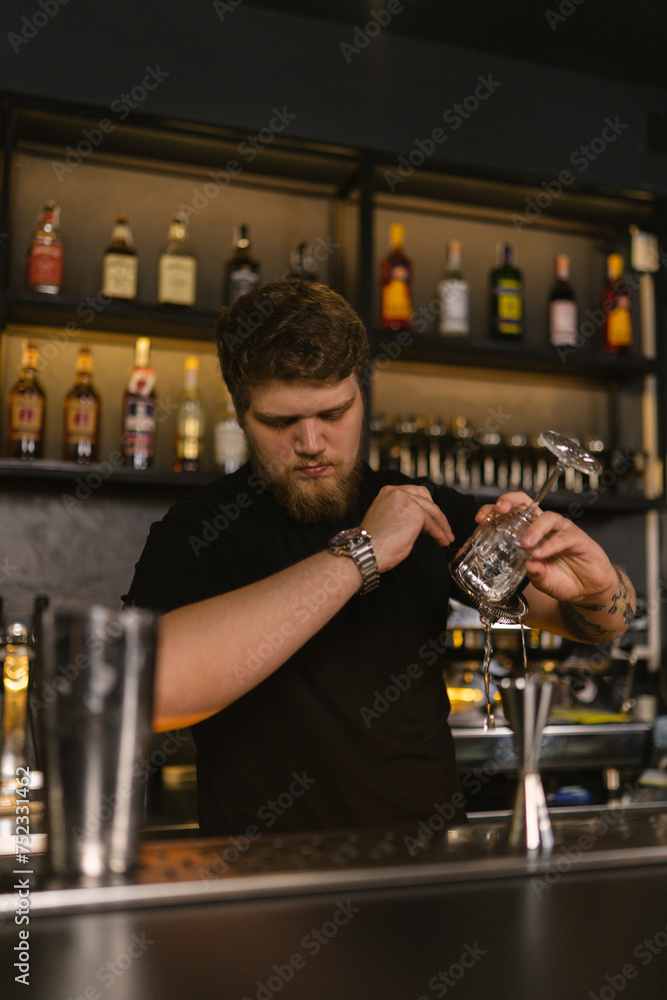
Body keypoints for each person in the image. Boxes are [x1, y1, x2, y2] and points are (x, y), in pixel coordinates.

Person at [123, 280, 635, 837]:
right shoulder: (199, 531)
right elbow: (148, 690)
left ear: (361, 394)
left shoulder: (426, 510)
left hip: (427, 876)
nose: (313, 441)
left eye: (334, 412)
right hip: (264, 890)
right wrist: (360, 554)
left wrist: (596, 585)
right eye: (280, 422)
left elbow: (602, 625)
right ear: (240, 411)